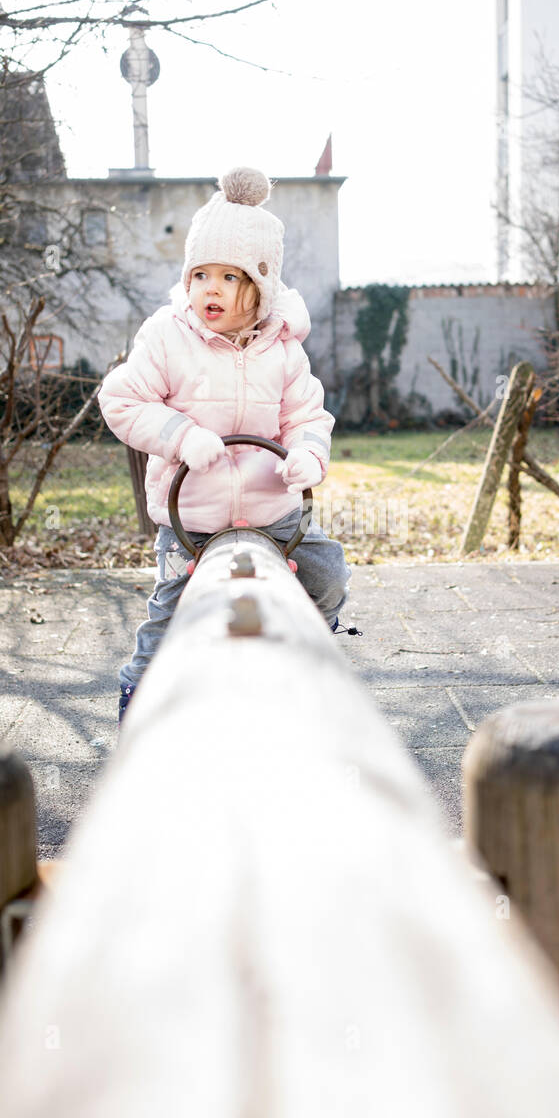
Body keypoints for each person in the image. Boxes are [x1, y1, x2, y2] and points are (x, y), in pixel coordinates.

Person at [98, 166, 354, 725]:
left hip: (273, 510)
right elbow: (122, 401)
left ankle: (308, 647)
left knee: (328, 574)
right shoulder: (168, 336)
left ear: (260, 287)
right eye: (200, 275)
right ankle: (138, 704)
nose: (210, 289)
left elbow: (307, 414)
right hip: (193, 518)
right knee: (168, 618)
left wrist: (307, 455)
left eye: (230, 277)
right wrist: (182, 436)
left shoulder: (283, 349)